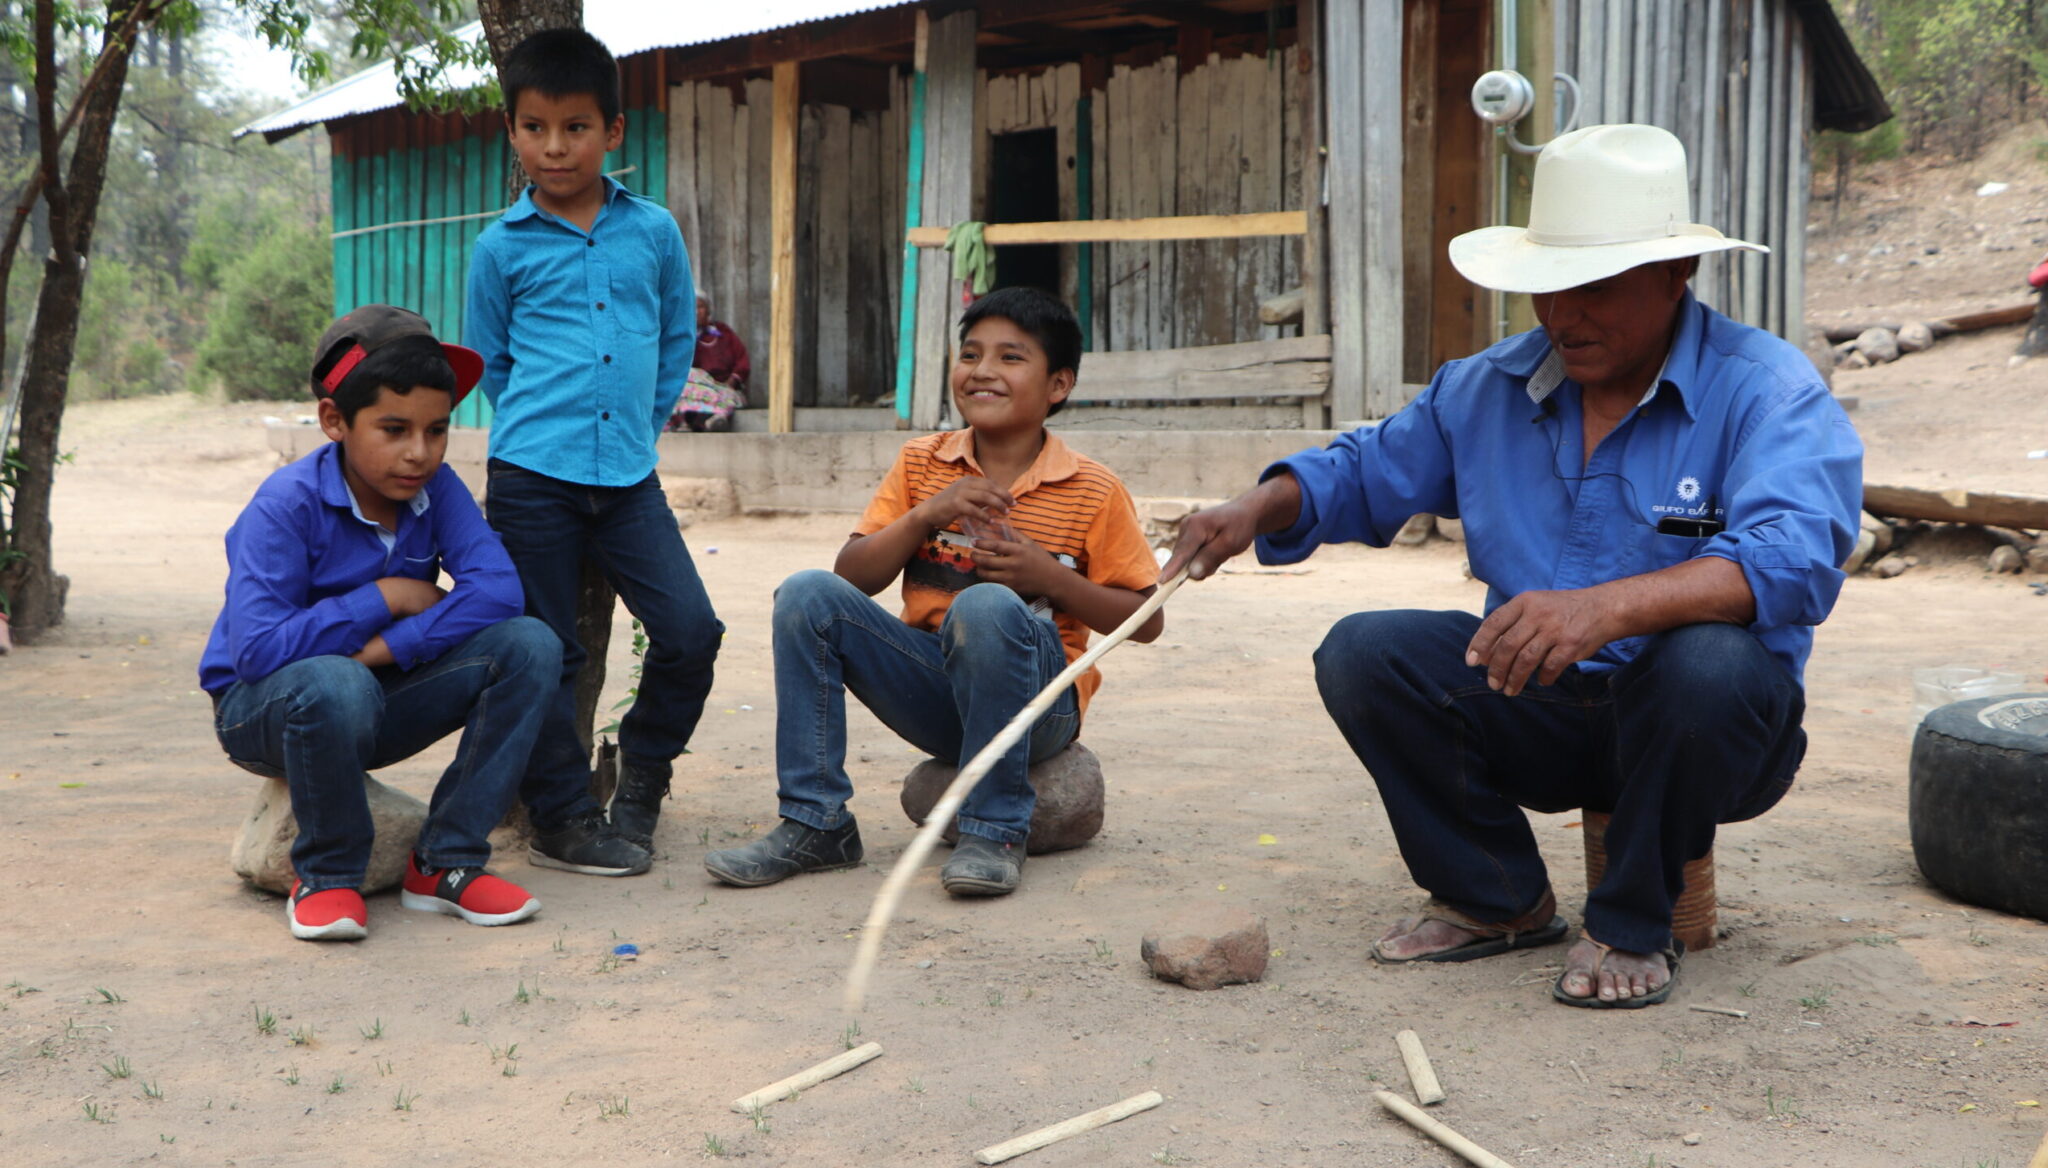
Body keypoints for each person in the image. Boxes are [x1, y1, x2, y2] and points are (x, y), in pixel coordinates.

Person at [1165, 124, 1863, 1007]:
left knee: (1710, 664)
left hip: (1708, 733)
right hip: (1541, 708)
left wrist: (1606, 609)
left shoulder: (1767, 390)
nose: (1563, 316)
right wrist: (1256, 507)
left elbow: (1795, 564)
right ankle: (1496, 895)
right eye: (1546, 290)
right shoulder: (1485, 387)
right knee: (1365, 653)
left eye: (1595, 287)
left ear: (1676, 276)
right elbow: (1366, 468)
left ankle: (1634, 921)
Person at [201, 305, 650, 943]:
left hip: (373, 694)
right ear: (335, 421)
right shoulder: (286, 504)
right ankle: (328, 874)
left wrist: (382, 651)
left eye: (436, 431)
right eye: (393, 428)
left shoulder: (437, 492)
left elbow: (497, 592)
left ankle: (446, 862)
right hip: (263, 712)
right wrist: (387, 595)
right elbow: (258, 651)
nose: (419, 453)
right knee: (333, 684)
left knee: (529, 645)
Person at [704, 287, 1162, 897]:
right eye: (970, 355)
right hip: (933, 693)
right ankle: (817, 823)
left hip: (1042, 709)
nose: (983, 372)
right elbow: (852, 577)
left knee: (987, 604)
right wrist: (926, 514)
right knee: (806, 593)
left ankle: (995, 828)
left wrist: (1046, 577)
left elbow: (1146, 619)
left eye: (1011, 357)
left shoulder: (1091, 488)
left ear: (1058, 385)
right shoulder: (923, 463)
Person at [465, 28, 722, 855]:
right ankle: (562, 818)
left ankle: (642, 779)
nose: (554, 146)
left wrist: (634, 430)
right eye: (534, 127)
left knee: (690, 631)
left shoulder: (652, 231)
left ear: (613, 131)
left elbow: (676, 338)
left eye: (575, 126)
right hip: (532, 475)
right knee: (548, 652)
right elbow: (494, 361)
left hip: (629, 479)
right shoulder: (499, 247)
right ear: (512, 132)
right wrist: (550, 431)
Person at [669, 289, 751, 432]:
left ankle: (715, 420)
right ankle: (685, 422)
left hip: (722, 386)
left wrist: (732, 381)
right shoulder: (681, 337)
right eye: (691, 307)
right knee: (683, 388)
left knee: (726, 396)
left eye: (700, 307)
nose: (696, 312)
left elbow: (742, 361)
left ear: (708, 311)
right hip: (694, 386)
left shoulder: (722, 332)